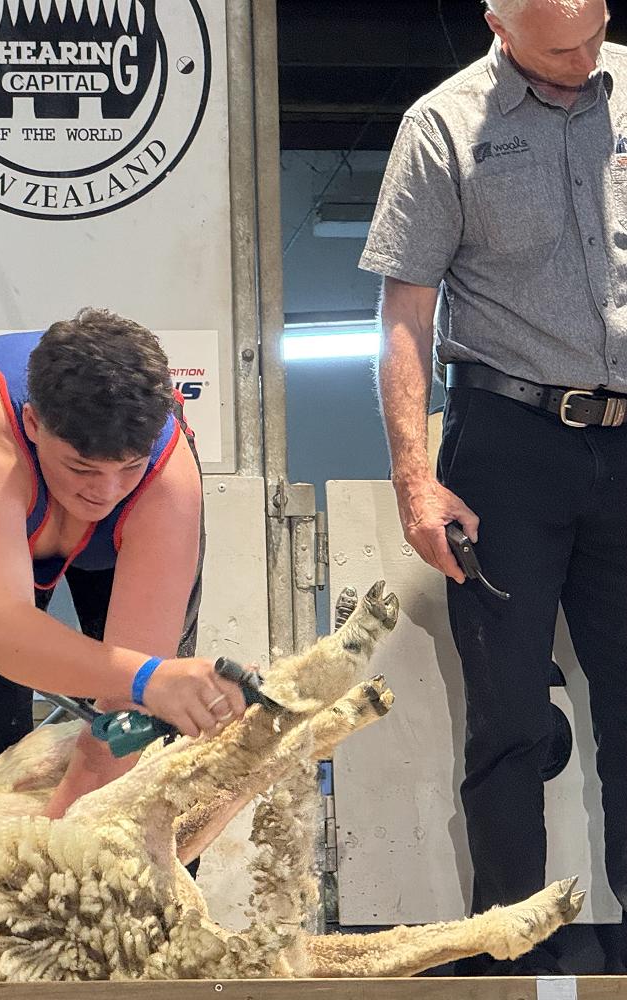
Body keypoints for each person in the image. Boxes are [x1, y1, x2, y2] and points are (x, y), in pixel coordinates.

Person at [360, 0, 627, 974]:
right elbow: (403, 311)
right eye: (556, 48)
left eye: (594, 35)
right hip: (504, 444)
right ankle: (509, 962)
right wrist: (411, 476)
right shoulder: (441, 127)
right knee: (511, 720)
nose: (580, 59)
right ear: (496, 23)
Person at [0, 308, 248, 820]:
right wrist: (146, 677)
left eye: (127, 469)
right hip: (4, 490)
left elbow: (128, 717)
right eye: (81, 467)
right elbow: (0, 631)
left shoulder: (165, 480)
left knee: (155, 734)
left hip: (132, 519)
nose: (105, 491)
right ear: (33, 424)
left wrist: (60, 849)